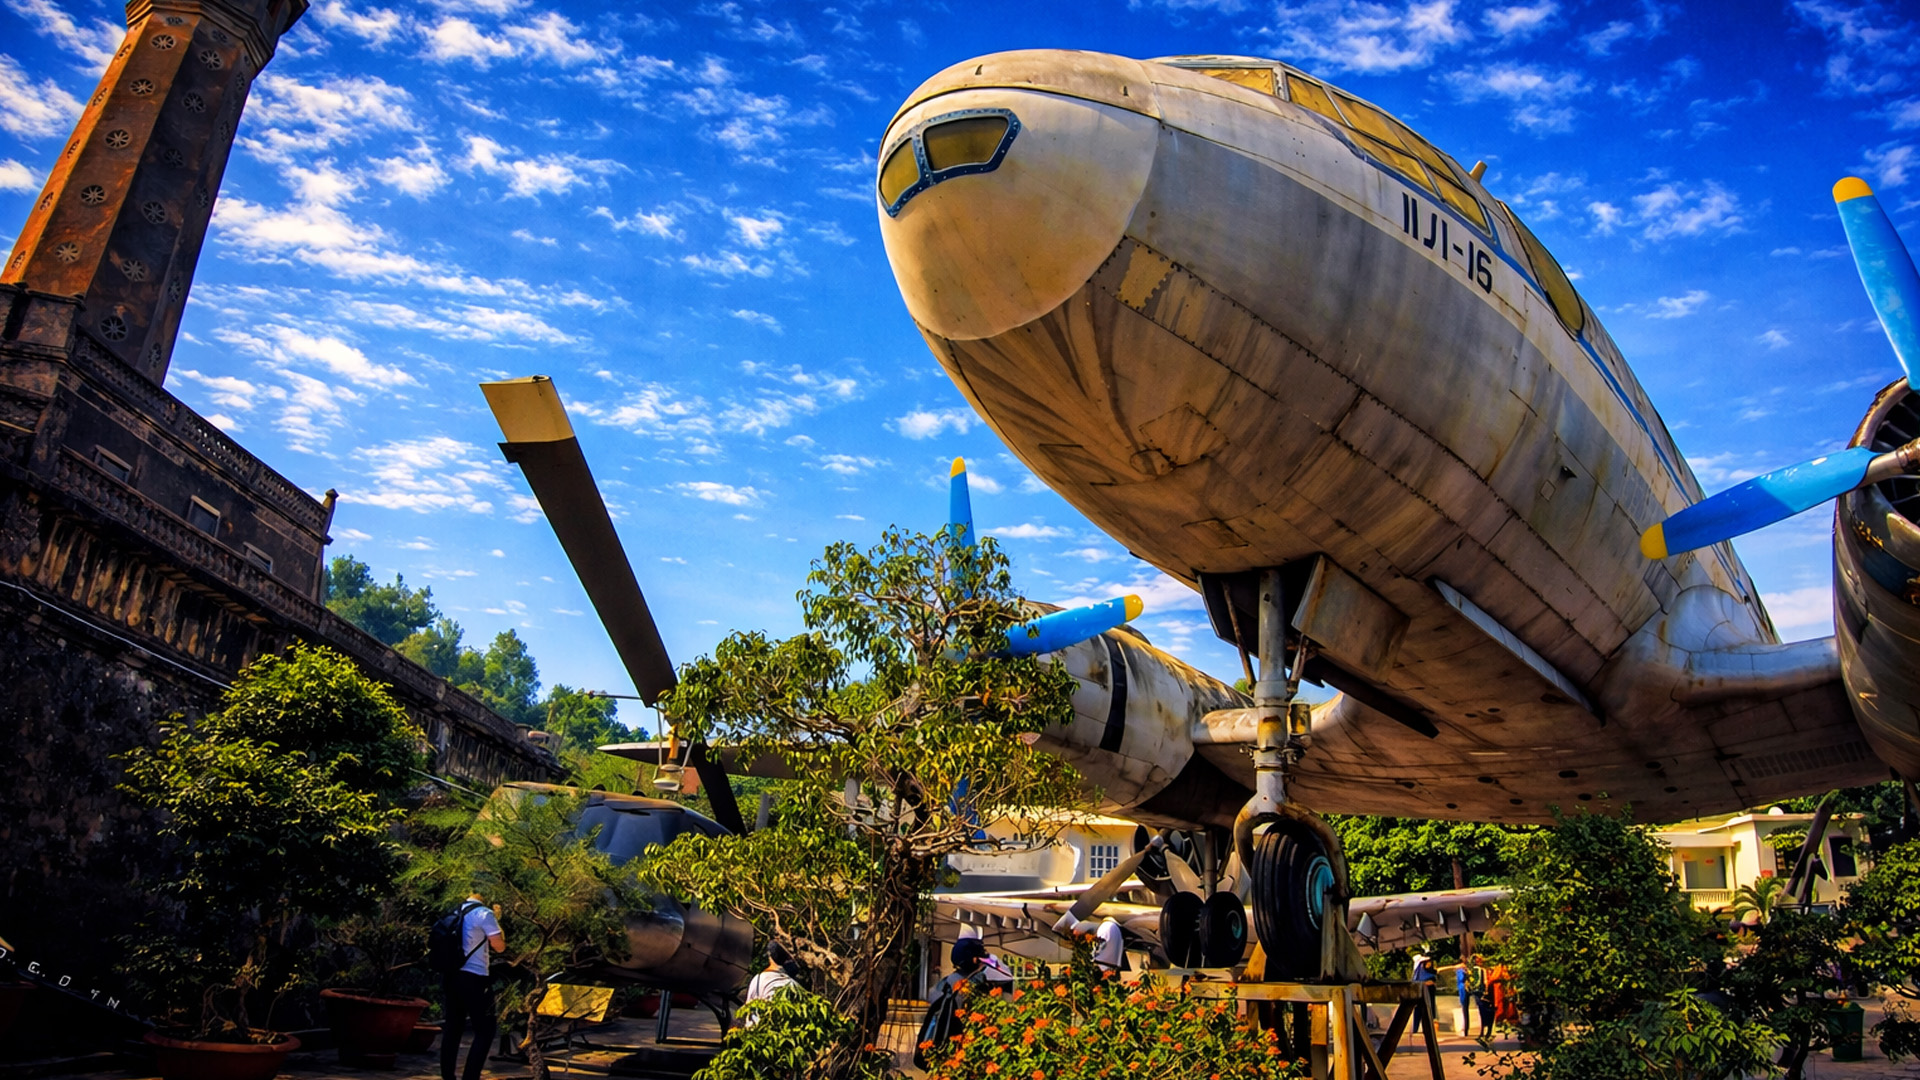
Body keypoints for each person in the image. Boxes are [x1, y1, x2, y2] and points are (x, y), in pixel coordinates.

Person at [441, 892, 505, 1080]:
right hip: (475, 977)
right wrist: (498, 921)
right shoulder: (485, 914)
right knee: (485, 1029)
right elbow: (499, 946)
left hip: (451, 976)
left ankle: (448, 1076)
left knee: (453, 1027)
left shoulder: (454, 911)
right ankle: (470, 1077)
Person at [915, 938, 992, 1069]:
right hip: (963, 1059)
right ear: (974, 960)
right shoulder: (974, 987)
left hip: (938, 1056)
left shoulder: (943, 984)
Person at [1409, 952, 1436, 1034]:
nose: (1429, 964)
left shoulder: (1430, 972)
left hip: (1428, 996)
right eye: (1427, 962)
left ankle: (1427, 1030)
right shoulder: (1418, 968)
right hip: (1419, 995)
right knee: (1418, 1012)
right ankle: (1415, 1030)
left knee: (1427, 1013)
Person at [1470, 957, 1493, 1034]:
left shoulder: (1479, 970)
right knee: (1483, 1009)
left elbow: (1485, 981)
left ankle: (1486, 1028)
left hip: (1480, 991)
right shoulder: (1478, 970)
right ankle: (1485, 1028)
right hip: (1480, 991)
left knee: (1484, 1009)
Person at [1455, 960, 1473, 1035]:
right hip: (1463, 989)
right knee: (1465, 1009)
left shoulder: (1462, 971)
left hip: (1464, 990)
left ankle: (1466, 1028)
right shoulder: (1460, 971)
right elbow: (1461, 979)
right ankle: (1466, 1028)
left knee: (1465, 1009)